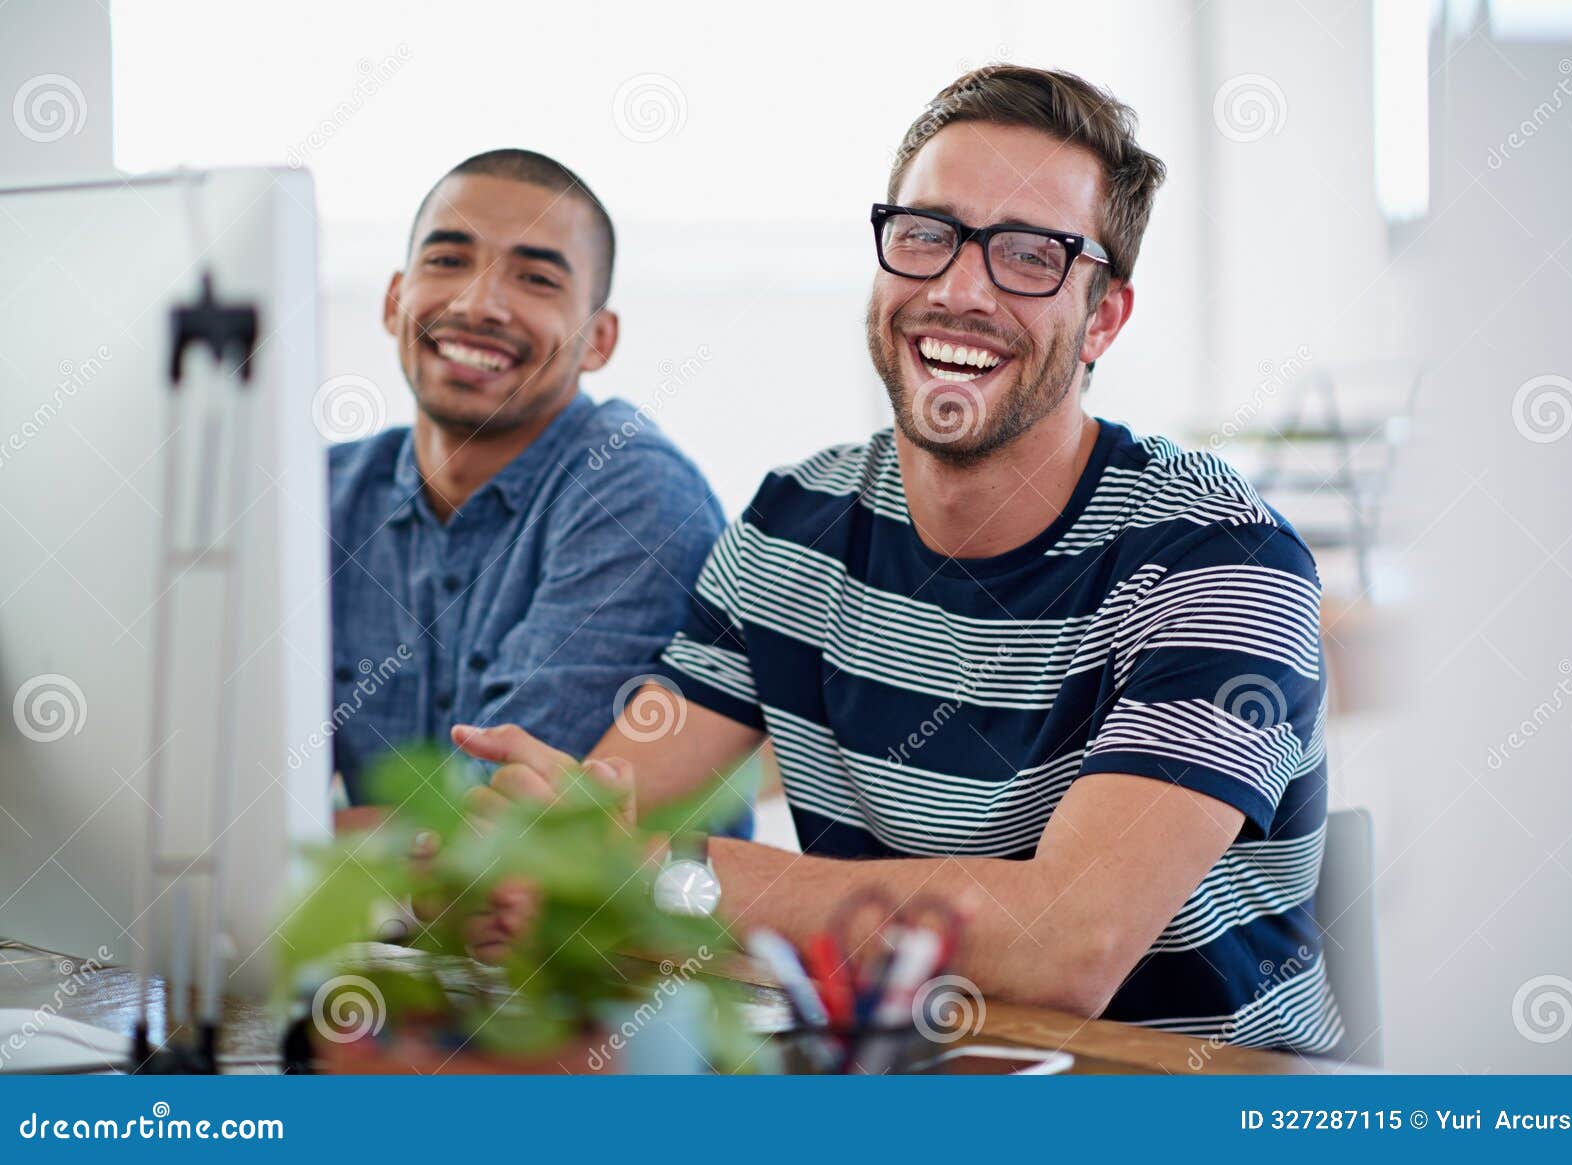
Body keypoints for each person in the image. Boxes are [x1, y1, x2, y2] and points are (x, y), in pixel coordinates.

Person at [458, 68, 1341, 1054]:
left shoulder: (1222, 560)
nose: (959, 289)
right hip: (902, 1083)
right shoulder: (793, 526)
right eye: (926, 235)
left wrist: (657, 876)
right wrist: (537, 848)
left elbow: (1067, 942)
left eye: (1029, 255)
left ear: (1102, 318)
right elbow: (605, 807)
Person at [326, 149, 738, 831]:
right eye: (448, 260)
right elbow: (238, 774)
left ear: (599, 340)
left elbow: (500, 825)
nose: (477, 302)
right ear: (395, 300)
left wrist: (283, 837)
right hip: (393, 931)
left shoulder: (636, 494)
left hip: (601, 936)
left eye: (536, 278)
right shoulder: (319, 496)